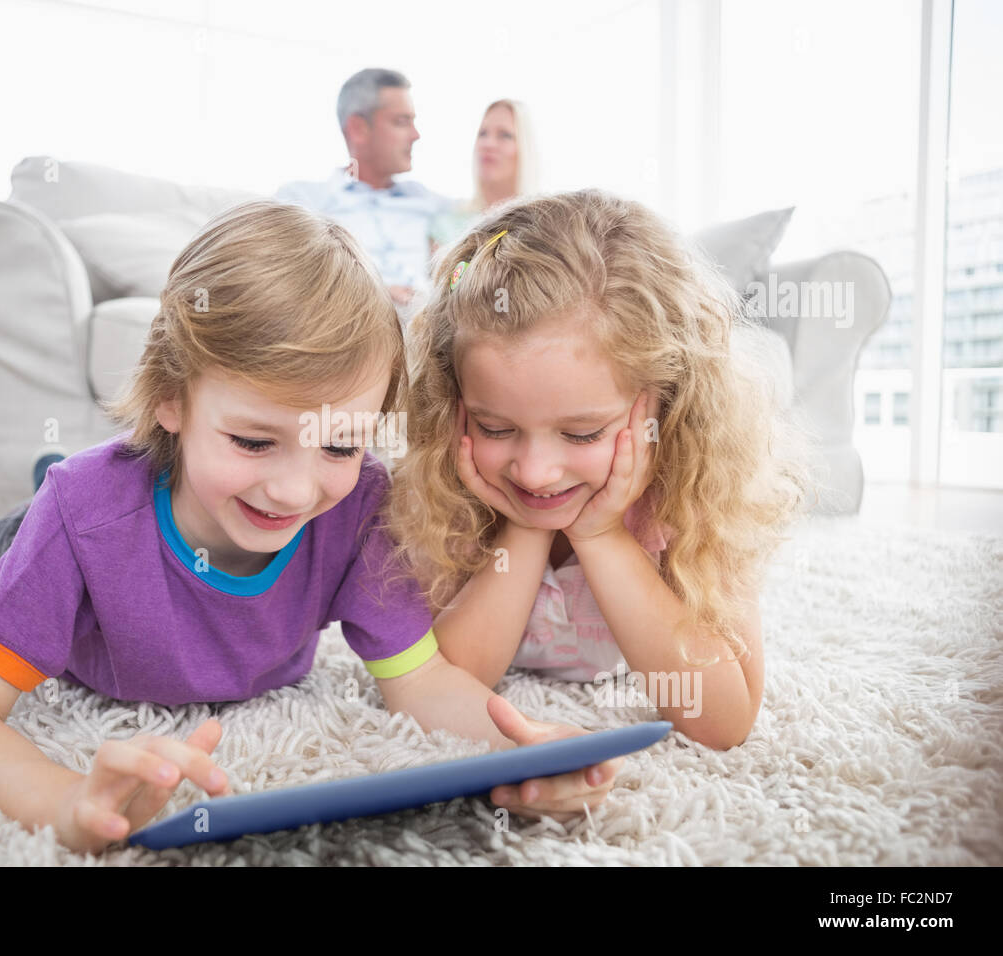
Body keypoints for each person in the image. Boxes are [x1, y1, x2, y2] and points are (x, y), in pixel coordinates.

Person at [0, 199, 624, 853]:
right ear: (169, 396)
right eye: (252, 439)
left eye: (340, 444)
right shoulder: (84, 519)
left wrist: (519, 745)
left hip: (124, 496)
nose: (292, 488)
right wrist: (64, 801)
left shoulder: (358, 510)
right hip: (40, 532)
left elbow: (423, 684)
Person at [386, 190, 814, 770]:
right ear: (456, 403)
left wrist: (602, 537)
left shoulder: (695, 500)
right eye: (494, 426)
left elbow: (725, 722)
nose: (535, 472)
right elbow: (438, 685)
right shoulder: (452, 493)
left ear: (668, 405)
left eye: (583, 434)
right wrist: (526, 529)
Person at [276, 68, 451, 317]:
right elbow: (287, 279)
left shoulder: (428, 202)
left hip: (426, 329)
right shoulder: (303, 201)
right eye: (402, 122)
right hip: (347, 323)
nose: (416, 135)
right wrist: (373, 292)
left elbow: (489, 220)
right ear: (358, 129)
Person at [428, 98, 538, 257]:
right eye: (482, 133)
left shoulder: (543, 225)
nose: (488, 144)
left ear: (525, 148)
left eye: (504, 135)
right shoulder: (446, 225)